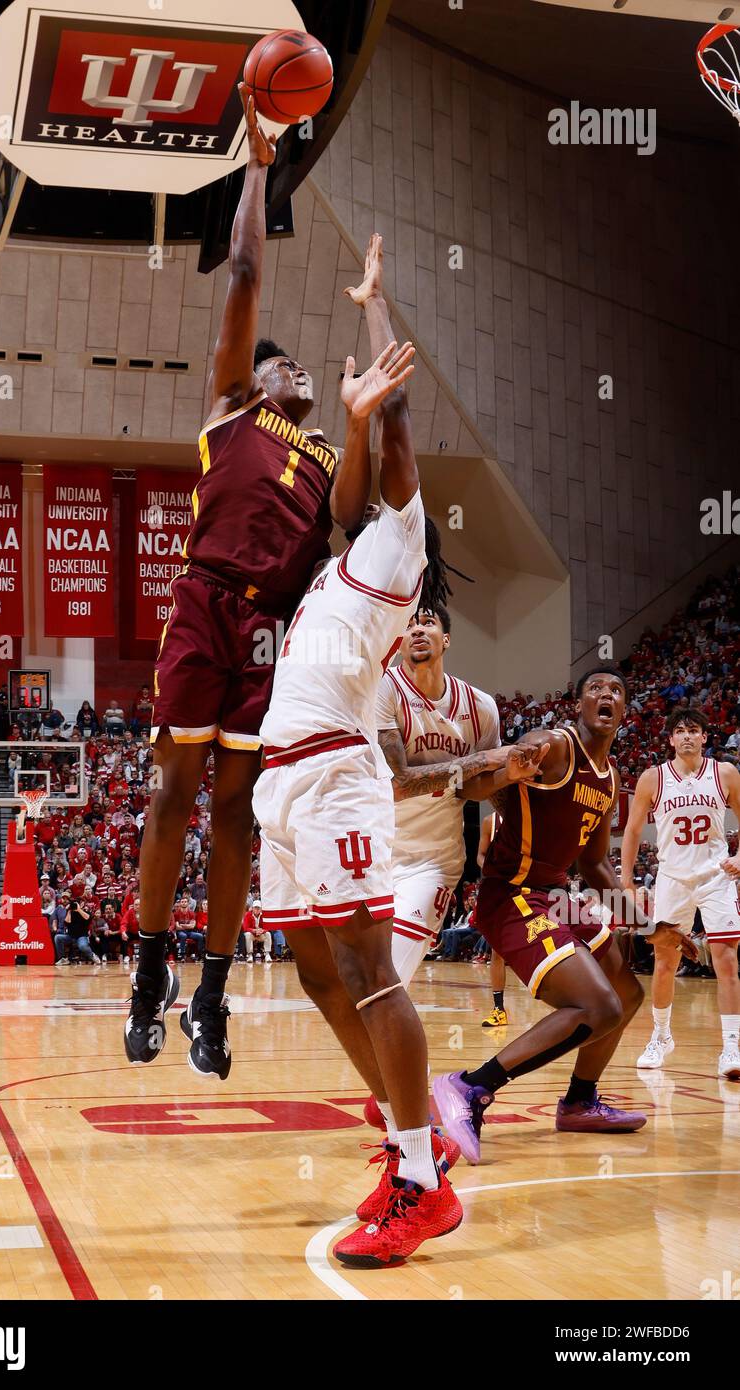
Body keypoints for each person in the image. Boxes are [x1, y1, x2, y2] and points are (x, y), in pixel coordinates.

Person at [252, 233, 545, 1269]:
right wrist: (344, 409)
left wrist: (378, 319)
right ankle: (400, 1143)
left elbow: (393, 434)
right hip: (278, 783)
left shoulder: (397, 546)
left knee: (374, 976)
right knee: (319, 975)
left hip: (335, 769)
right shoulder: (335, 570)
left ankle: (425, 1181)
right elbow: (340, 492)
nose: (366, 484)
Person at [126, 87, 377, 1078]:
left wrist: (357, 422)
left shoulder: (319, 460)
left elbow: (352, 519)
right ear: (259, 382)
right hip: (204, 603)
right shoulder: (233, 410)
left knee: (234, 813)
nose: (297, 368)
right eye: (287, 367)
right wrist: (259, 163)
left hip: (271, 631)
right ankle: (149, 977)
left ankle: (214, 996)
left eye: (303, 370)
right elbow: (240, 272)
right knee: (171, 798)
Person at [432, 665, 697, 1164]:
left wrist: (645, 926)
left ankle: (578, 1101)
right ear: (579, 705)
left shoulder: (609, 776)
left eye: (617, 690)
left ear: (624, 711)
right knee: (599, 1007)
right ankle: (469, 1087)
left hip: (555, 893)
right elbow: (473, 787)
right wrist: (506, 769)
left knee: (626, 992)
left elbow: (594, 863)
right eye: (595, 688)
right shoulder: (552, 746)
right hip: (510, 892)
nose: (607, 694)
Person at [375, 600, 505, 993]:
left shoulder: (480, 707)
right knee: (364, 982)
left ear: (445, 639)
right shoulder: (384, 689)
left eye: (427, 623)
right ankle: (411, 1058)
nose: (417, 629)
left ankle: (403, 1056)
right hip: (376, 852)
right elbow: (399, 782)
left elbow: (485, 787)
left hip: (433, 861)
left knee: (389, 983)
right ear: (399, 641)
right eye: (409, 624)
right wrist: (481, 759)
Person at [621, 709, 740, 1079]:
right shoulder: (653, 778)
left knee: (726, 962)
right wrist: (626, 881)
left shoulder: (725, 773)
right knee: (665, 963)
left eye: (694, 730)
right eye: (680, 731)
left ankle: (732, 1047)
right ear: (670, 739)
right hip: (672, 878)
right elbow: (632, 831)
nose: (687, 736)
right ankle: (660, 1036)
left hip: (716, 877)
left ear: (705, 737)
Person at [478, 811, 509, 1027]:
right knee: (496, 953)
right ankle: (499, 1009)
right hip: (500, 889)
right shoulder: (490, 821)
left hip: (530, 887)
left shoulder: (534, 812)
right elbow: (480, 854)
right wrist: (490, 868)